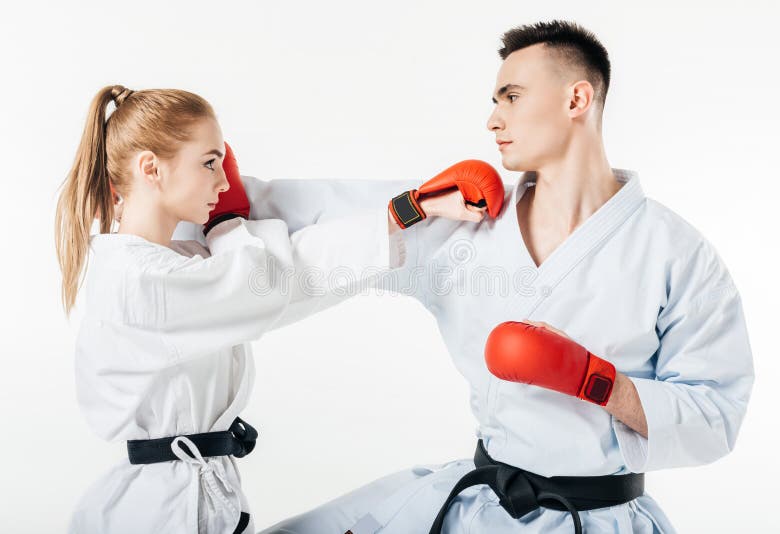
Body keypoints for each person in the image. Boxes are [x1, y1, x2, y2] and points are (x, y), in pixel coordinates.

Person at [216, 20, 754, 534]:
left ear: (576, 100)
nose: (493, 120)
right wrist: (241, 203)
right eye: (495, 101)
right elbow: (342, 221)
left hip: (602, 519)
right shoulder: (467, 221)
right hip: (482, 500)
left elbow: (717, 412)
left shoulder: (676, 252)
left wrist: (595, 381)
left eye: (511, 97)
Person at [55, 85, 494, 533]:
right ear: (151, 168)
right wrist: (229, 224)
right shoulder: (142, 282)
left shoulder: (176, 263)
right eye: (210, 163)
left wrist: (413, 209)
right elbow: (267, 283)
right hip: (153, 515)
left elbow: (290, 277)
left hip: (183, 500)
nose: (224, 182)